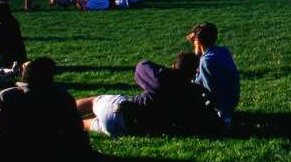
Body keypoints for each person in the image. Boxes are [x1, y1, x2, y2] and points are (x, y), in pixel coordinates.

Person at [0, 57, 92, 162]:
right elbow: (76, 133)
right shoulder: (62, 97)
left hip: (13, 157)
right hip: (50, 155)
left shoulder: (8, 98)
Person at [75, 52, 210, 137]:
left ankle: (62, 111)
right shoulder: (193, 92)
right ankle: (69, 124)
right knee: (86, 124)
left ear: (174, 66)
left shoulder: (162, 80)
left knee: (93, 102)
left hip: (120, 109)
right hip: (129, 129)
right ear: (194, 72)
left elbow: (142, 65)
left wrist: (166, 71)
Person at [188, 22, 239, 128]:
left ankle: (221, 119)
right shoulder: (224, 51)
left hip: (219, 104)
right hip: (232, 98)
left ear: (198, 41)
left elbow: (209, 90)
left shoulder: (206, 61)